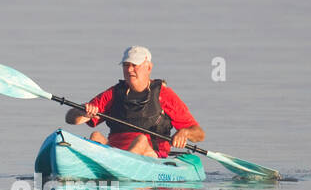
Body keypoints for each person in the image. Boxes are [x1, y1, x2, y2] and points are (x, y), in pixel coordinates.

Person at [64, 46, 205, 158]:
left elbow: (199, 133)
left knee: (141, 140)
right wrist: (82, 112)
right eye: (126, 65)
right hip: (114, 152)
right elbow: (71, 119)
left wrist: (185, 133)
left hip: (152, 154)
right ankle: (106, 165)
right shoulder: (114, 94)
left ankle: (118, 166)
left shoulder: (164, 95)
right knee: (96, 136)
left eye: (134, 65)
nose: (129, 69)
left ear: (149, 67)